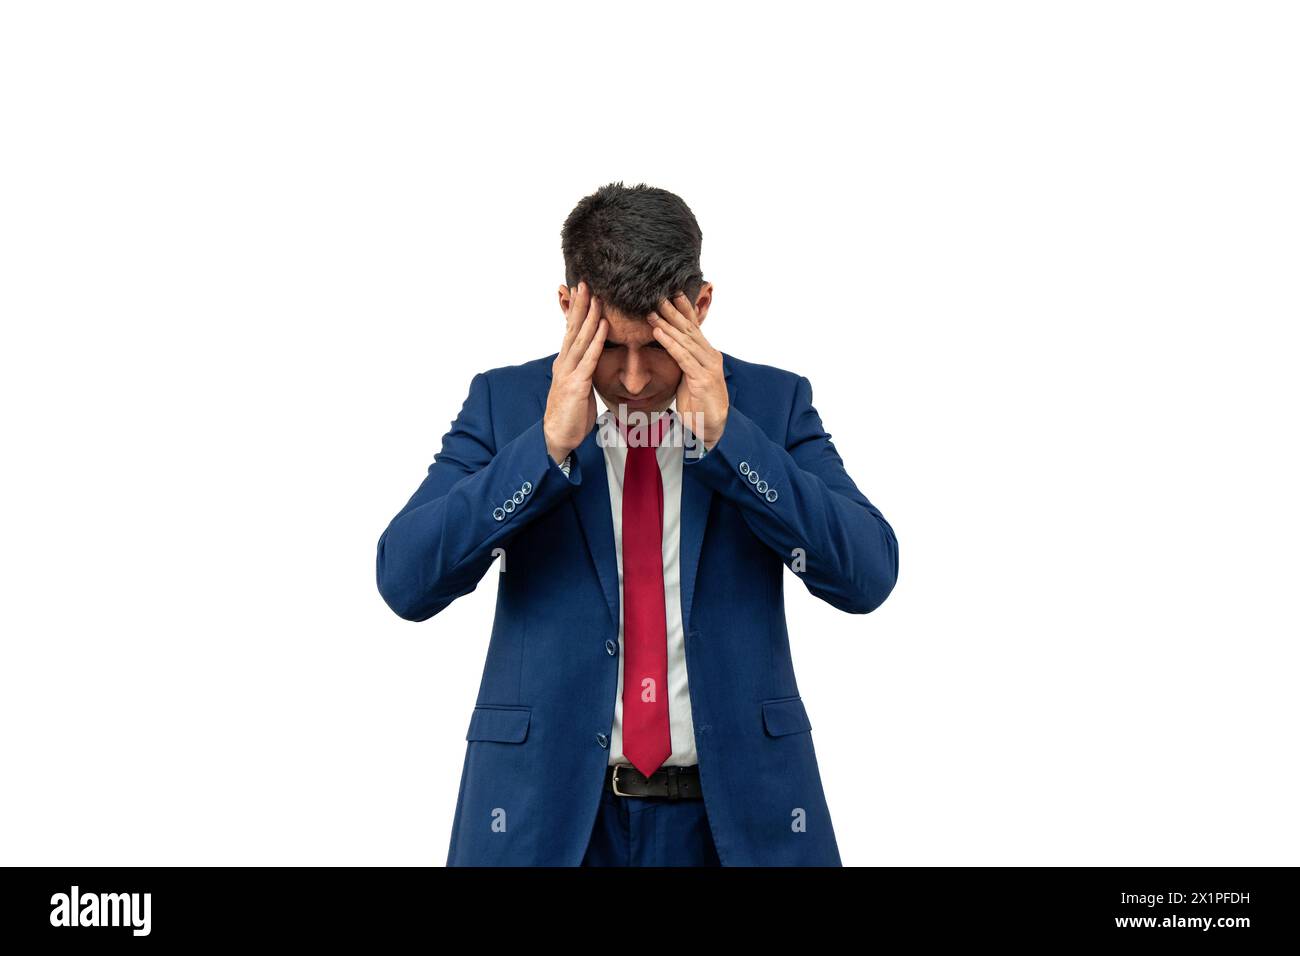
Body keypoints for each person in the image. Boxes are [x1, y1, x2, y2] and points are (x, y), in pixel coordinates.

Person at [375, 182, 899, 866]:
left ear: (700, 305)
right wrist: (544, 450)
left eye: (652, 346)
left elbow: (866, 575)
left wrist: (730, 440)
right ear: (569, 306)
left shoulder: (772, 405)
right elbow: (406, 582)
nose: (628, 379)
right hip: (547, 819)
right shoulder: (505, 405)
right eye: (608, 347)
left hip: (735, 822)